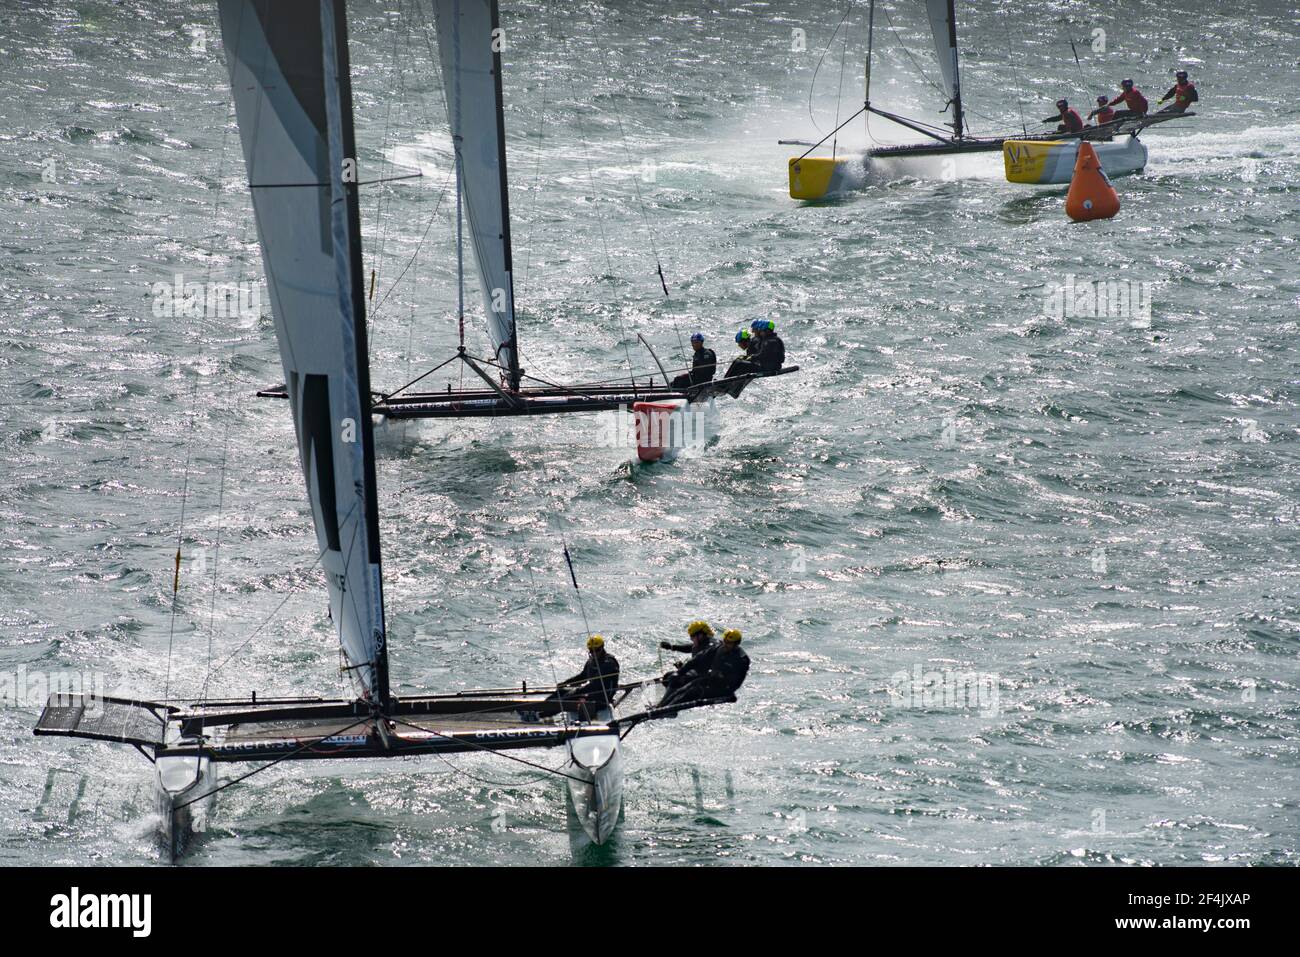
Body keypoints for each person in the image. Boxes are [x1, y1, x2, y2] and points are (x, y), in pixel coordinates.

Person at [659, 629, 749, 708]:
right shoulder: (719, 648)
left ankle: (668, 709)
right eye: (724, 641)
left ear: (736, 644)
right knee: (687, 687)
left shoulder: (742, 659)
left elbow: (737, 681)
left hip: (724, 688)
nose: (725, 644)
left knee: (692, 691)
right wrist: (680, 673)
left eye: (729, 643)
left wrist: (722, 678)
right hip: (711, 680)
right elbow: (697, 659)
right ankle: (661, 706)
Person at [546, 635, 620, 717]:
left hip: (602, 699)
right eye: (592, 651)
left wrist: (576, 691)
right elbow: (582, 677)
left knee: (569, 698)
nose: (594, 653)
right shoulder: (591, 662)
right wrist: (565, 683)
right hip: (591, 694)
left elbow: (595, 684)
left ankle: (544, 715)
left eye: (597, 650)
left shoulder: (609, 663)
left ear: (602, 648)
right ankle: (541, 707)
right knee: (561, 691)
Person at [660, 621, 719, 692]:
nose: (691, 639)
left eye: (692, 636)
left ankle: (672, 699)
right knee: (668, 676)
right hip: (702, 678)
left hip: (709, 682)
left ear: (700, 635)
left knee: (670, 678)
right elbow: (690, 648)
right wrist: (671, 647)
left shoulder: (711, 646)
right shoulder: (703, 643)